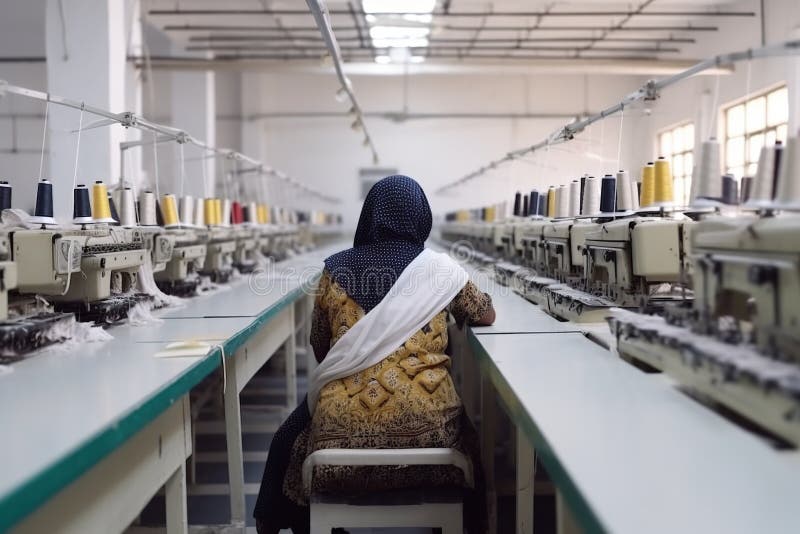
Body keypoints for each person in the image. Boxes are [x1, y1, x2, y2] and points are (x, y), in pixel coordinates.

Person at [254, 175, 496, 533]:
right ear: (421, 216)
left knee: (289, 441)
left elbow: (322, 348)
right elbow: (485, 313)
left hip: (337, 440)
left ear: (369, 215)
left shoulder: (334, 270)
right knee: (474, 449)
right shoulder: (439, 272)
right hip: (434, 436)